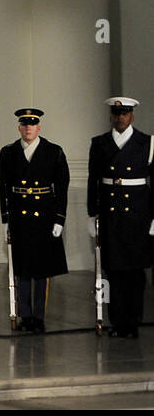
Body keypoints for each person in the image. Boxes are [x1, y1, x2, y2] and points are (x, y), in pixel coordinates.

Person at [0, 107, 68, 334]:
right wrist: (5, 218)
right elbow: (4, 188)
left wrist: (60, 218)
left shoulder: (53, 151)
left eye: (32, 124)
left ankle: (38, 316)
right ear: (19, 127)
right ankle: (24, 315)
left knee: (42, 269)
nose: (28, 128)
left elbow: (62, 188)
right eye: (24, 124)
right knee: (22, 268)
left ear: (39, 127)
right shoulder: (8, 152)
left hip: (45, 215)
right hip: (19, 214)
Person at [88, 96, 152, 339]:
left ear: (132, 116)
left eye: (124, 113)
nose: (120, 118)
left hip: (138, 214)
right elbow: (93, 180)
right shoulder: (100, 143)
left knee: (135, 272)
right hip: (109, 212)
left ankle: (133, 322)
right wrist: (90, 213)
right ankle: (116, 320)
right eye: (116, 114)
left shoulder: (146, 142)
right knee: (112, 271)